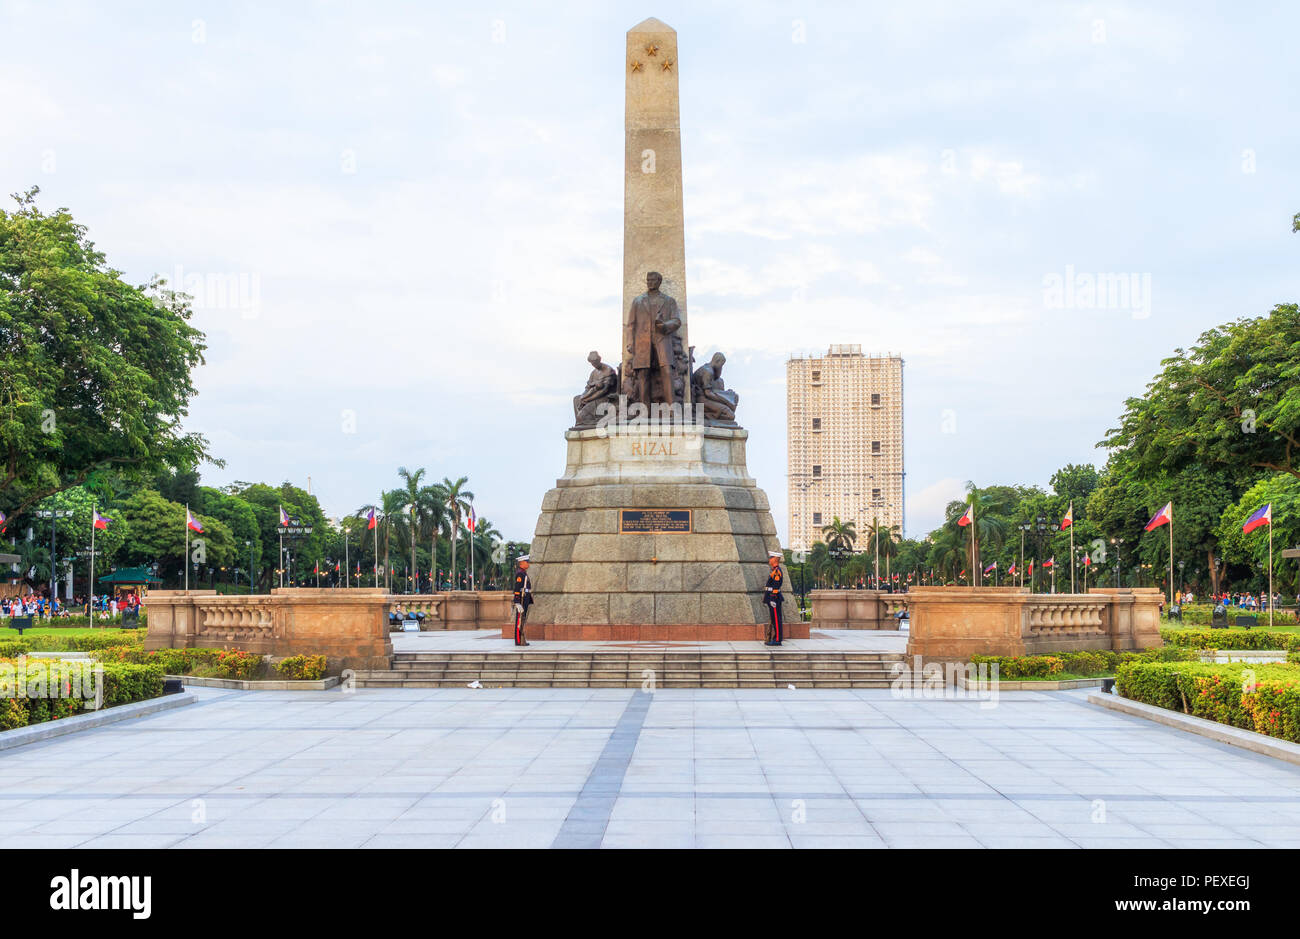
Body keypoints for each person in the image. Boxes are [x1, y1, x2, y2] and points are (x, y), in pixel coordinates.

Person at [763, 550, 785, 646]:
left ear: (775, 559)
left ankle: (777, 640)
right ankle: (776, 638)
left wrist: (772, 598)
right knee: (774, 618)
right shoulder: (774, 571)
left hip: (774, 598)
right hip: (773, 597)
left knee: (776, 619)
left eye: (771, 558)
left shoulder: (776, 572)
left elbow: (776, 587)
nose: (769, 559)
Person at [512, 554, 533, 647]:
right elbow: (517, 588)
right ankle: (518, 640)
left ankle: (521, 639)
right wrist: (517, 601)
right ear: (522, 563)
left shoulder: (523, 572)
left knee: (522, 619)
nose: (528, 564)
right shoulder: (520, 573)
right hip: (521, 599)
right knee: (519, 620)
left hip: (525, 598)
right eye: (527, 562)